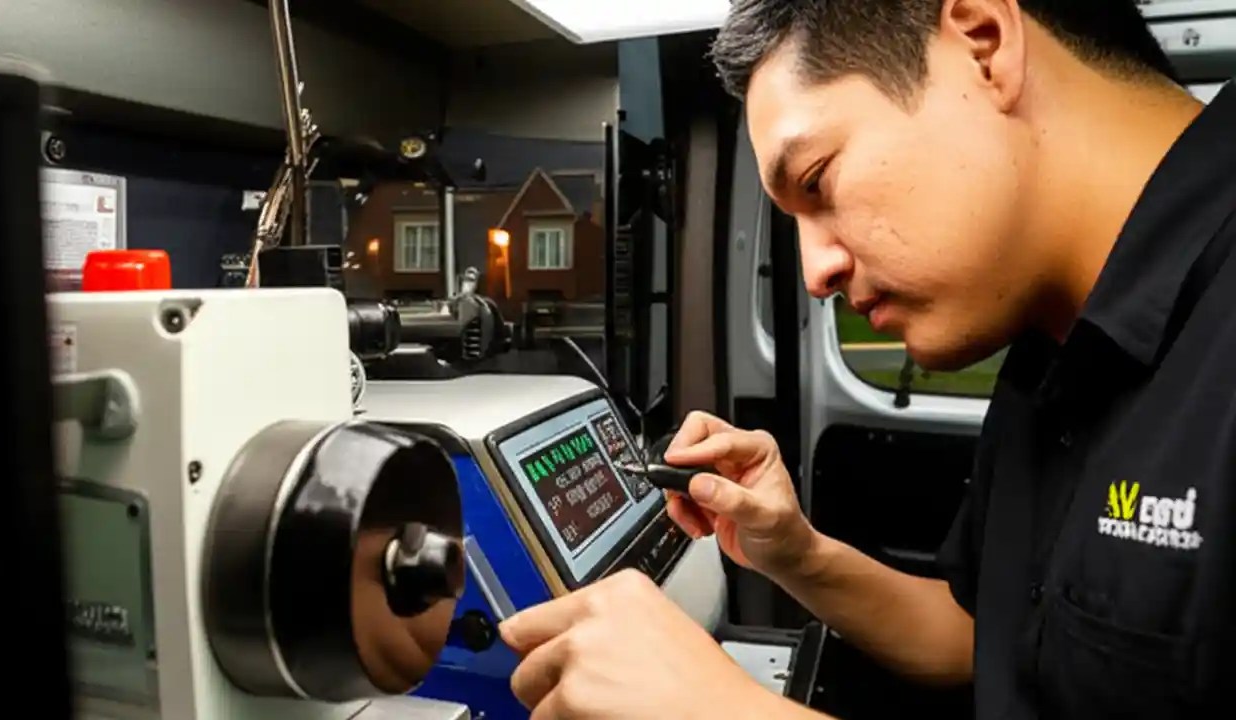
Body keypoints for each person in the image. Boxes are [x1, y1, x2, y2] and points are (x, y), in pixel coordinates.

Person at [497, 0, 1236, 717]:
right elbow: (983, 636)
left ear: (982, 44)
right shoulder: (1049, 335)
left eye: (817, 182)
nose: (815, 272)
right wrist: (794, 552)